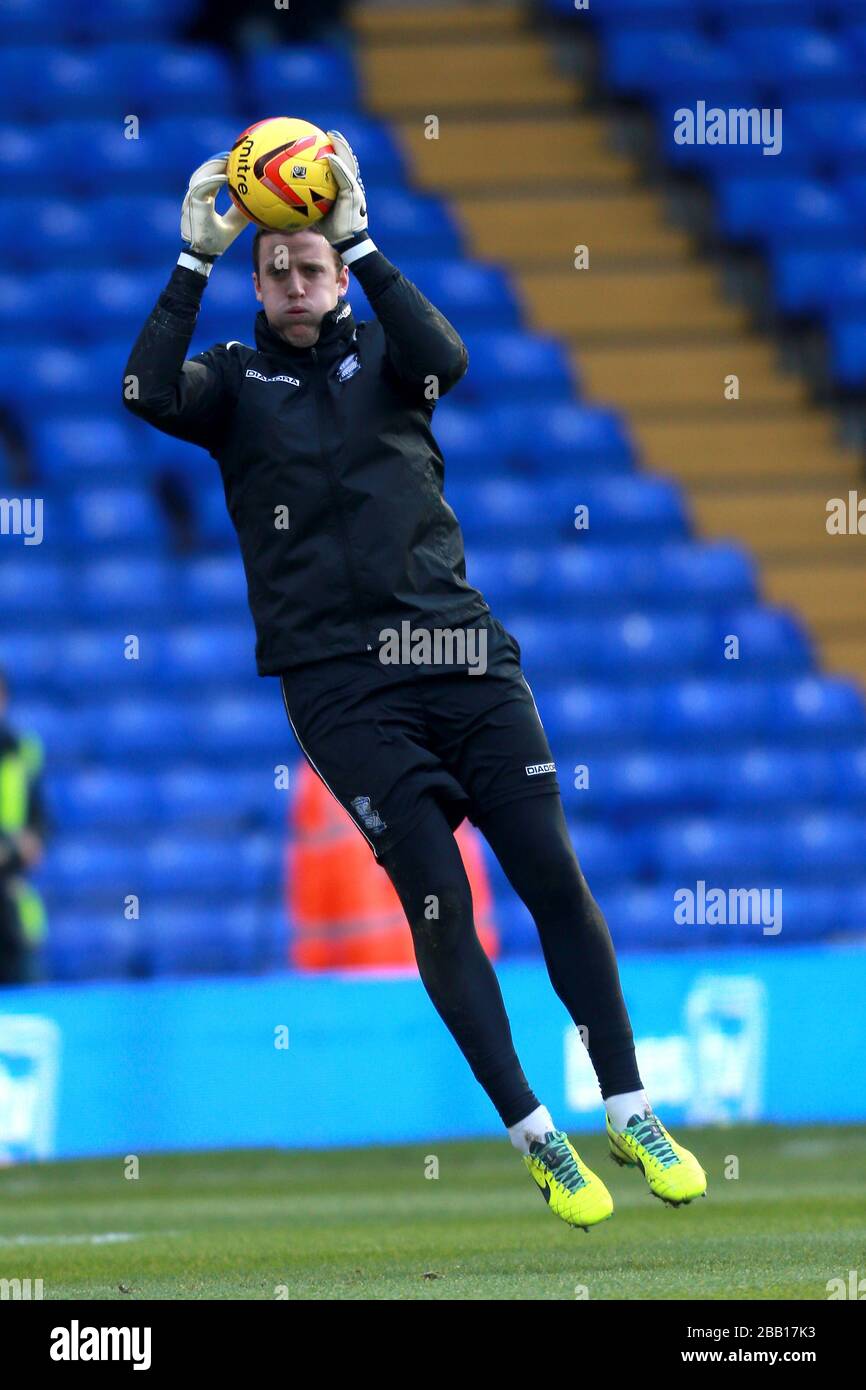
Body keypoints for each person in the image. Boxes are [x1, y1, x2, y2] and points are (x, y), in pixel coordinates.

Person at [122, 133, 707, 1229]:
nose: (294, 283)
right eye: (275, 268)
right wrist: (191, 260)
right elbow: (144, 389)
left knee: (550, 875)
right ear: (255, 284)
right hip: (339, 685)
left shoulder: (393, 360)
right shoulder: (232, 385)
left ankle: (627, 1105)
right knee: (438, 899)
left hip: (456, 651)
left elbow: (449, 355)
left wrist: (360, 234)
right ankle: (538, 1136)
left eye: (312, 266)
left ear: (337, 274)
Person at [0, 669, 47, 985]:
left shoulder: (22, 750)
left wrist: (14, 848)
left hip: (11, 903)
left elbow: (39, 831)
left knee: (27, 998)